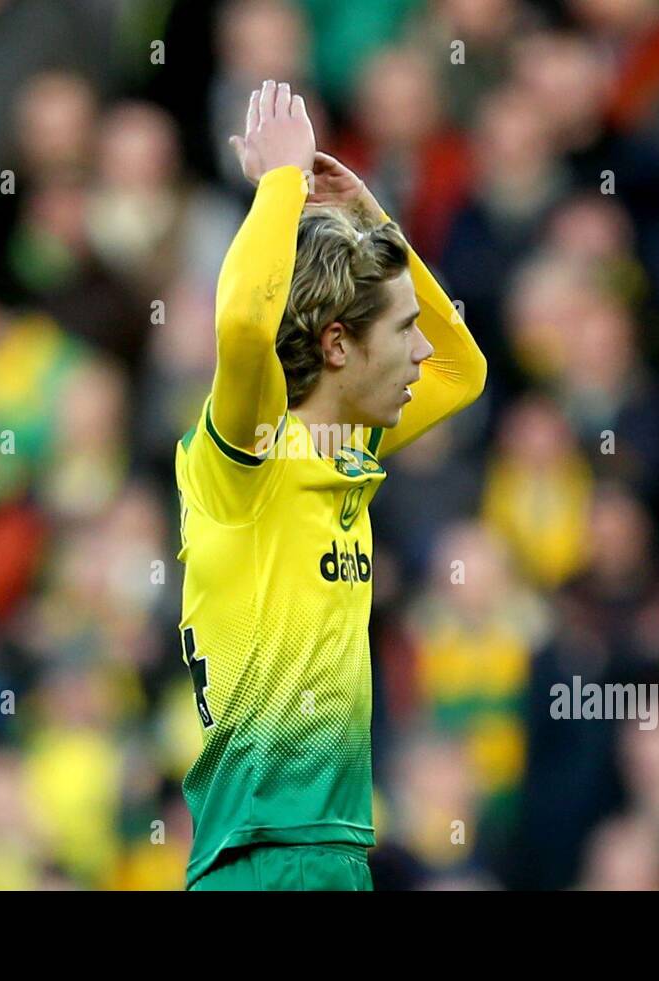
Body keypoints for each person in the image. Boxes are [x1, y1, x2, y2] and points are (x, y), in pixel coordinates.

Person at [176, 79, 487, 890]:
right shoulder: (244, 462)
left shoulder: (346, 450)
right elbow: (246, 324)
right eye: (404, 329)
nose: (423, 350)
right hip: (265, 853)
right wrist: (280, 183)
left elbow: (465, 369)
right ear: (340, 345)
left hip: (326, 850)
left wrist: (376, 224)